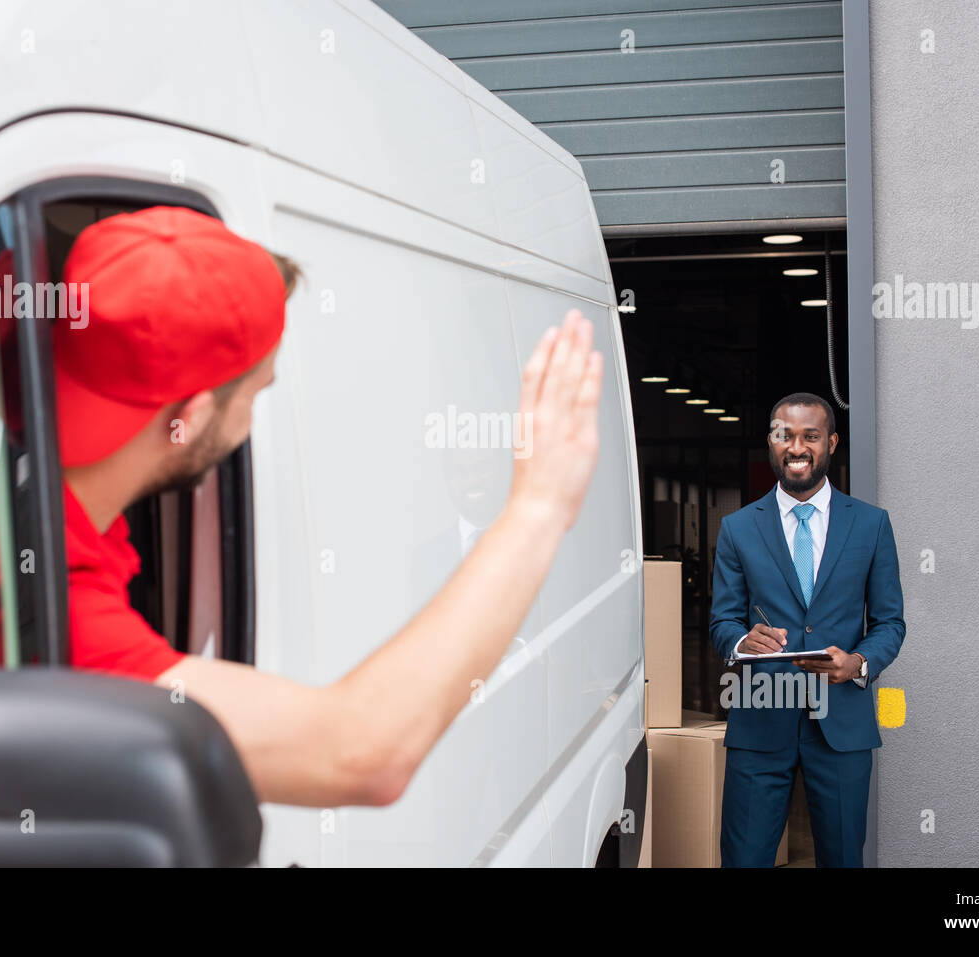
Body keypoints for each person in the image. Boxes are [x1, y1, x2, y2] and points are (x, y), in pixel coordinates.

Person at [56, 205, 603, 808]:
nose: (252, 420)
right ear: (191, 418)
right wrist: (539, 505)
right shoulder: (67, 620)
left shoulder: (42, 507)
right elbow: (359, 753)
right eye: (258, 393)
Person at [709, 392, 905, 867]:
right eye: (785, 436)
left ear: (832, 443)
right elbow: (721, 621)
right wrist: (740, 641)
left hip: (842, 725)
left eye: (810, 436)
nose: (797, 447)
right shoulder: (737, 528)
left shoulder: (871, 525)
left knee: (842, 858)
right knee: (744, 858)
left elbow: (889, 623)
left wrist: (858, 662)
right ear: (772, 443)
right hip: (760, 722)